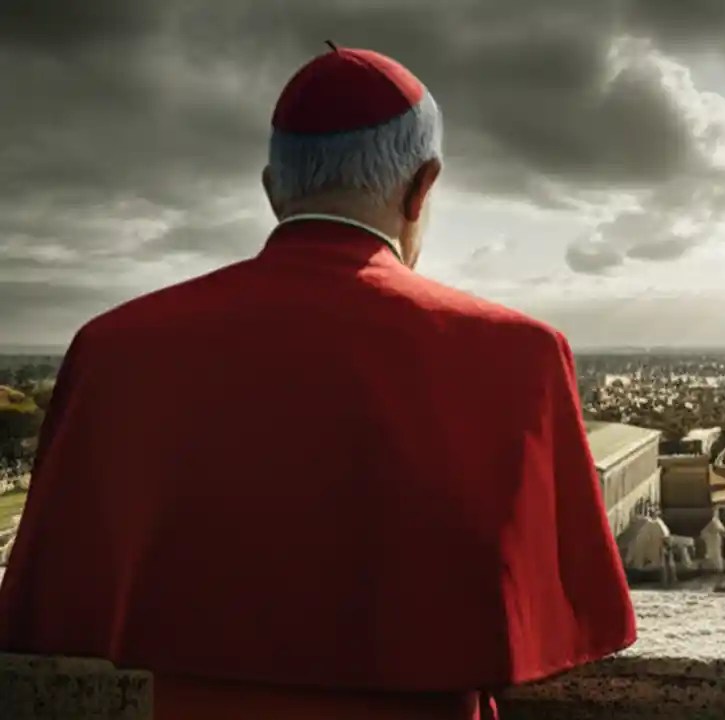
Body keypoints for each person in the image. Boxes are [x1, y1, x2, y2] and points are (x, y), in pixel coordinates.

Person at [0, 45, 636, 719]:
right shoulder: (521, 356)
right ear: (422, 189)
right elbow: (564, 615)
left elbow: (58, 596)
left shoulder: (113, 350)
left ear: (273, 190)